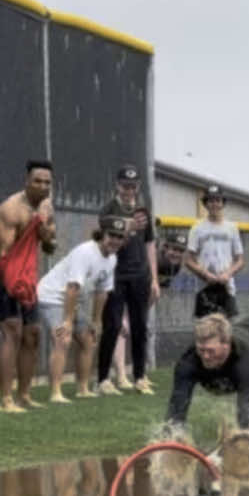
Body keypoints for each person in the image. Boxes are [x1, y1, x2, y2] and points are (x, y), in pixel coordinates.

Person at [0, 160, 58, 412]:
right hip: (1, 269)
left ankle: (24, 395)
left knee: (33, 333)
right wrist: (35, 222)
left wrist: (44, 226)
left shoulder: (46, 207)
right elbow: (6, 251)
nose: (43, 186)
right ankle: (5, 399)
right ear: (27, 181)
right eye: (37, 181)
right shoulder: (11, 209)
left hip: (25, 273)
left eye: (47, 182)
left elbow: (49, 246)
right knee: (13, 330)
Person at [37, 216, 127, 403]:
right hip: (52, 295)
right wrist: (68, 322)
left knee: (89, 338)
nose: (116, 240)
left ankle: (83, 389)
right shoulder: (86, 252)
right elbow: (72, 288)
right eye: (112, 235)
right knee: (63, 338)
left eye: (120, 237)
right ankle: (55, 393)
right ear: (102, 234)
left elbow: (102, 292)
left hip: (71, 299)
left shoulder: (112, 259)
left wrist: (96, 321)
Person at [97, 164, 160, 396]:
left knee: (140, 326)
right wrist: (128, 227)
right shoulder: (108, 210)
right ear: (117, 185)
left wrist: (153, 278)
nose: (129, 190)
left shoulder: (144, 211)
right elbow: (107, 244)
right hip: (115, 274)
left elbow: (150, 244)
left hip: (140, 275)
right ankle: (103, 379)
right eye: (125, 186)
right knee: (112, 325)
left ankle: (140, 377)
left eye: (133, 186)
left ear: (138, 186)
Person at [183, 183, 245, 318]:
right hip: (204, 287)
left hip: (227, 288)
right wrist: (205, 274)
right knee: (205, 332)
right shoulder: (197, 228)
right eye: (210, 200)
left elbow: (240, 260)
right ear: (205, 204)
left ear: (223, 203)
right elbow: (188, 260)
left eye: (218, 200)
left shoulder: (232, 228)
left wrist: (228, 274)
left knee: (227, 333)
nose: (214, 204)